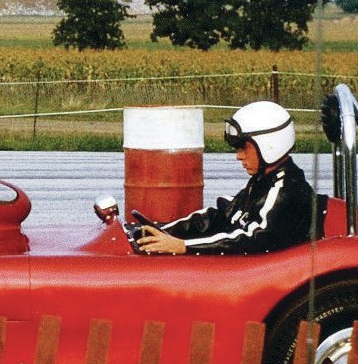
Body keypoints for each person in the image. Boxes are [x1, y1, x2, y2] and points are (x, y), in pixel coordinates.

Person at [134, 100, 314, 256]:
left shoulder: (287, 190)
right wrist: (162, 230)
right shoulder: (262, 182)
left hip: (269, 277)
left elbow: (253, 238)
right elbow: (222, 215)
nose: (239, 156)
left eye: (244, 148)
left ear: (269, 145)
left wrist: (183, 246)